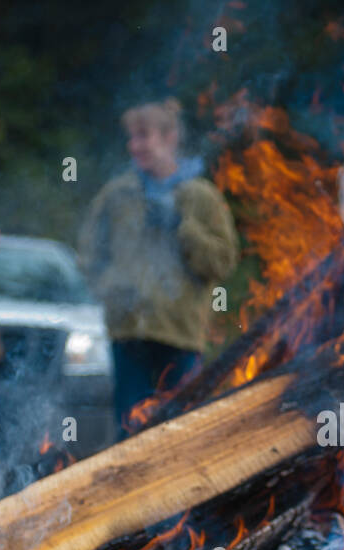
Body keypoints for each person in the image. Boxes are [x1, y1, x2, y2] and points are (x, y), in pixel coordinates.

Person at [78, 99, 240, 436]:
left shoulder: (201, 196)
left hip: (180, 335)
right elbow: (90, 256)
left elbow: (223, 262)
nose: (133, 146)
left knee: (181, 432)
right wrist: (115, 288)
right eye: (131, 138)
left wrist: (185, 228)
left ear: (170, 138)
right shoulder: (117, 194)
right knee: (129, 433)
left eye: (143, 137)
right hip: (128, 332)